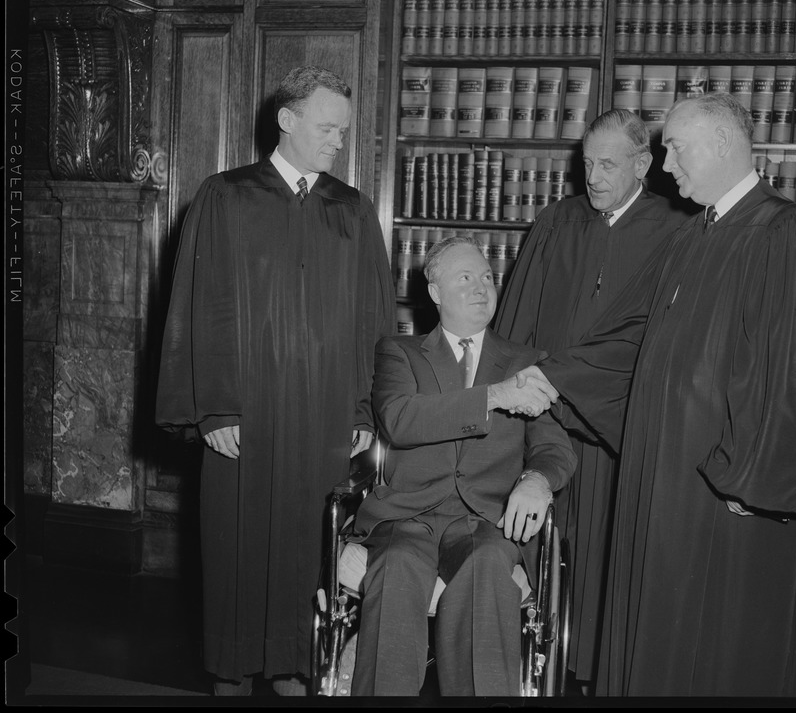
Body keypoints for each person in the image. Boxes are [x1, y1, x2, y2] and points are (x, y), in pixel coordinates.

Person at [518, 92, 796, 697]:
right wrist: (553, 377)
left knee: (719, 652)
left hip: (728, 494)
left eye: (676, 147)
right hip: (666, 481)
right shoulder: (692, 234)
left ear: (723, 143)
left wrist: (751, 482)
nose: (667, 163)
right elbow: (629, 336)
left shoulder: (784, 231)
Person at [155, 66, 395, 696]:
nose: (338, 140)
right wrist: (215, 409)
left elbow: (372, 320)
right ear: (287, 120)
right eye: (327, 127)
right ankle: (231, 677)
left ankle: (298, 668)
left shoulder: (352, 210)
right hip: (246, 414)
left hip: (323, 415)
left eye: (343, 130)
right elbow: (200, 307)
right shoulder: (225, 196)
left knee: (307, 552)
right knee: (239, 550)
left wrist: (362, 410)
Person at [492, 108, 689, 690]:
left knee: (606, 563)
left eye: (608, 164)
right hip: (543, 419)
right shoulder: (557, 221)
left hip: (615, 429)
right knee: (532, 555)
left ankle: (591, 676)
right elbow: (516, 326)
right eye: (587, 163)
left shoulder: (675, 229)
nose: (593, 177)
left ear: (643, 165)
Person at [349, 235, 575, 697]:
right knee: (395, 567)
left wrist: (537, 479)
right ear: (434, 292)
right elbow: (399, 419)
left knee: (488, 566)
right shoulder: (400, 353)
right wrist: (495, 395)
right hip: (407, 515)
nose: (480, 287)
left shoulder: (527, 361)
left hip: (483, 521)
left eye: (487, 277)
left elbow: (555, 448)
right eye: (465, 277)